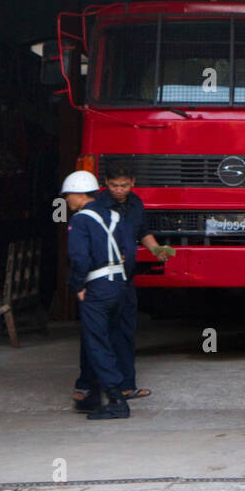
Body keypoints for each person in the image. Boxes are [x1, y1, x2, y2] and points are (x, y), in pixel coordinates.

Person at [73, 163, 172, 408]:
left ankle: (127, 384)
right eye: (114, 185)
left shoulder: (136, 204)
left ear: (133, 182)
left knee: (125, 332)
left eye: (124, 185)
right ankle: (86, 386)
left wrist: (156, 249)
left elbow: (143, 232)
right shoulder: (96, 205)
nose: (119, 190)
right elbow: (85, 248)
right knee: (95, 335)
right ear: (105, 183)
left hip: (125, 280)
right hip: (100, 280)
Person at [61, 170, 130, 421]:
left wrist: (78, 285)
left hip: (97, 288)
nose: (67, 200)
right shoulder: (114, 216)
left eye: (68, 195)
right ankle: (91, 396)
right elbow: (127, 251)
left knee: (96, 343)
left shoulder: (80, 221)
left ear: (79, 194)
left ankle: (116, 399)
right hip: (118, 285)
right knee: (107, 338)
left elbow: (80, 258)